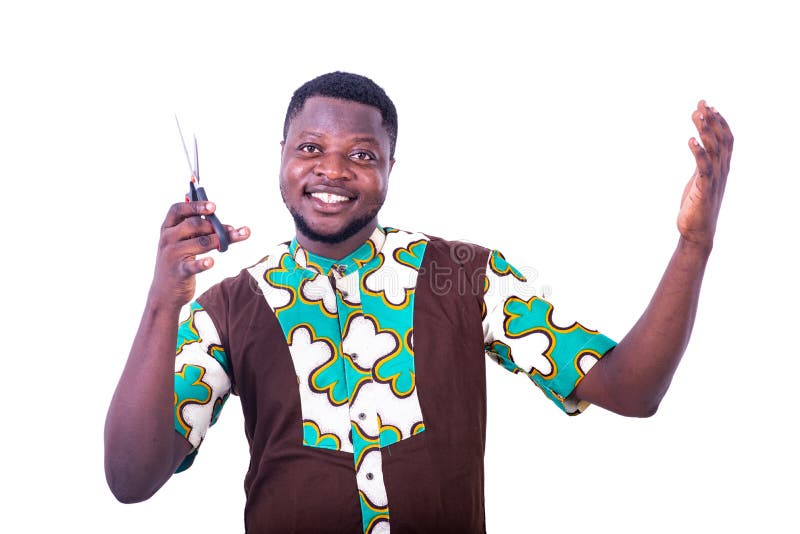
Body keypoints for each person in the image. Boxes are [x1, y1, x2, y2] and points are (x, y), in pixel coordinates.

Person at [104, 71, 733, 533]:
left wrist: (694, 244)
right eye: (310, 149)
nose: (332, 170)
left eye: (361, 155)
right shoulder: (227, 309)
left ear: (389, 167)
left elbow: (632, 390)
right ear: (283, 157)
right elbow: (132, 479)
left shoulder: (466, 276)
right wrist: (165, 299)